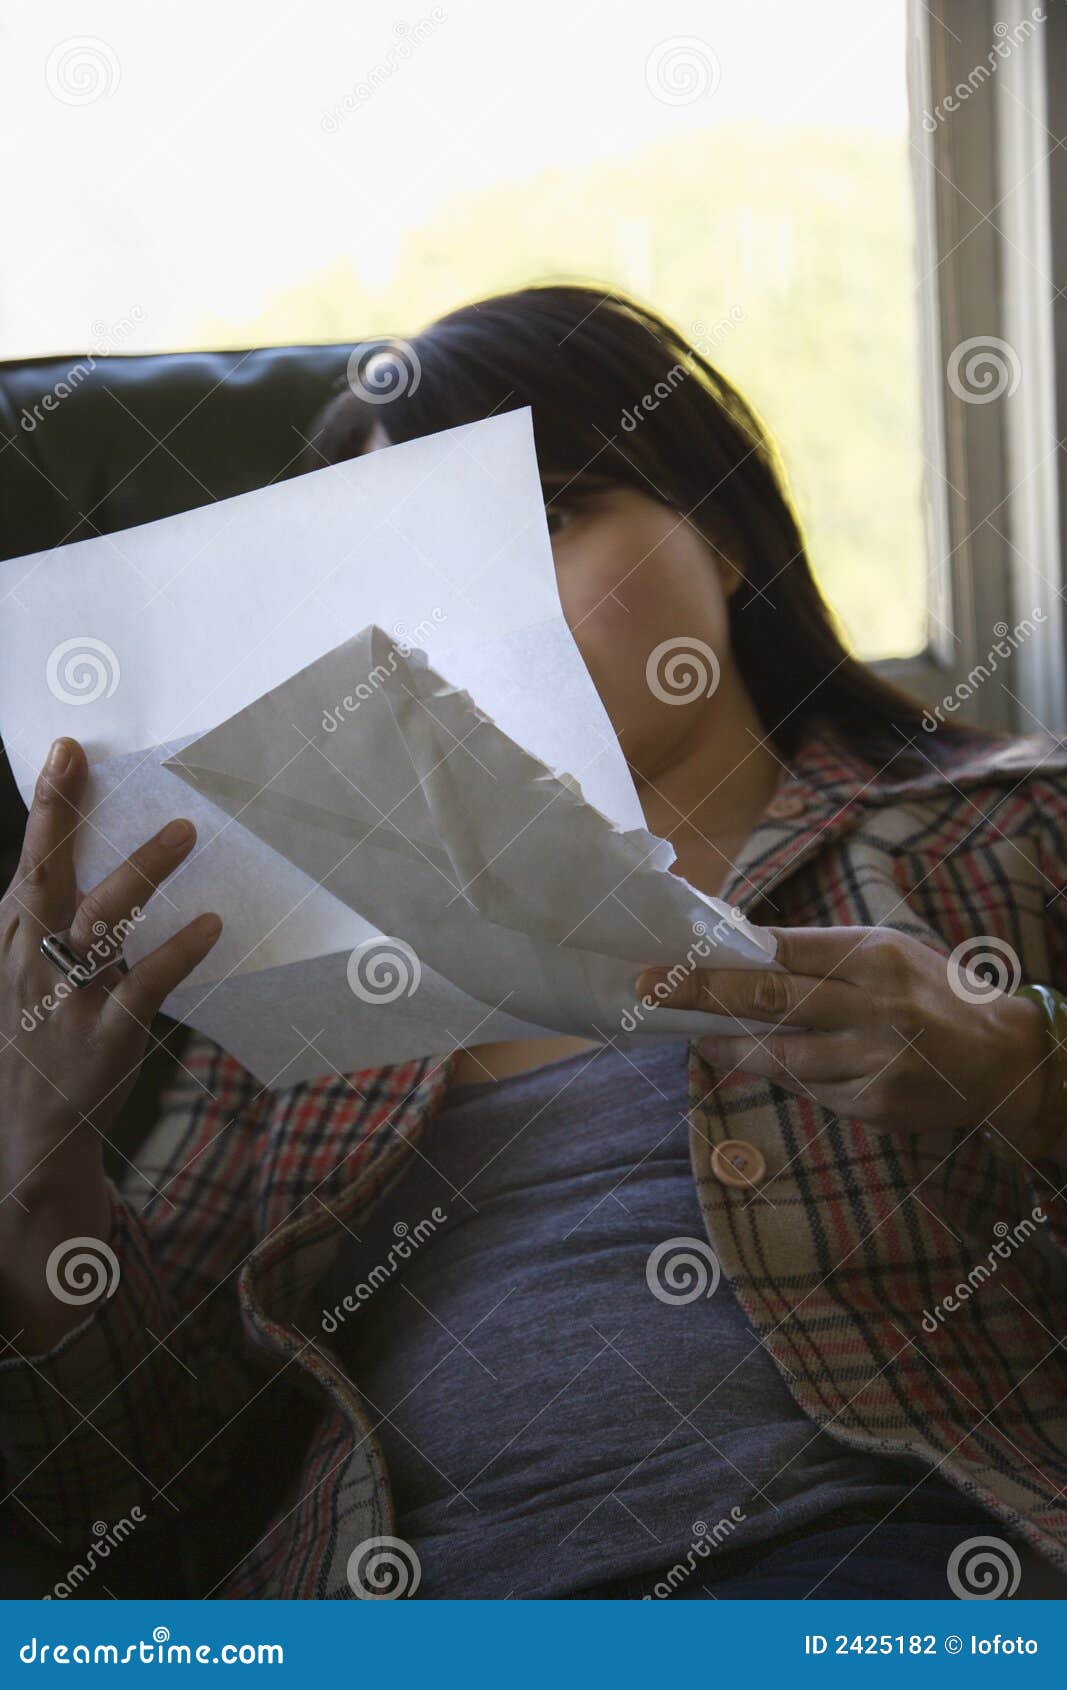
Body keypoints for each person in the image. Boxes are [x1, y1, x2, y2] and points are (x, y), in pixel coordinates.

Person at [2, 285, 1066, 1601]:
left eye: (547, 520)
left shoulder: (1010, 828)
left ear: (723, 530)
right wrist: (43, 1166)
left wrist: (1032, 1067)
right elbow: (124, 1486)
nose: (483, 601)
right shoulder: (289, 960)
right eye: (411, 577)